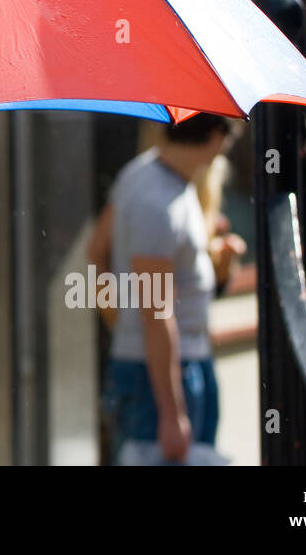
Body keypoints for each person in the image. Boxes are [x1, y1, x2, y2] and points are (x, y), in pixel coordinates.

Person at [89, 113, 242, 464]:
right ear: (218, 137)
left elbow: (95, 252)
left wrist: (117, 318)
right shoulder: (158, 203)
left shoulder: (143, 173)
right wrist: (172, 414)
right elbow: (156, 312)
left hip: (162, 366)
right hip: (160, 377)